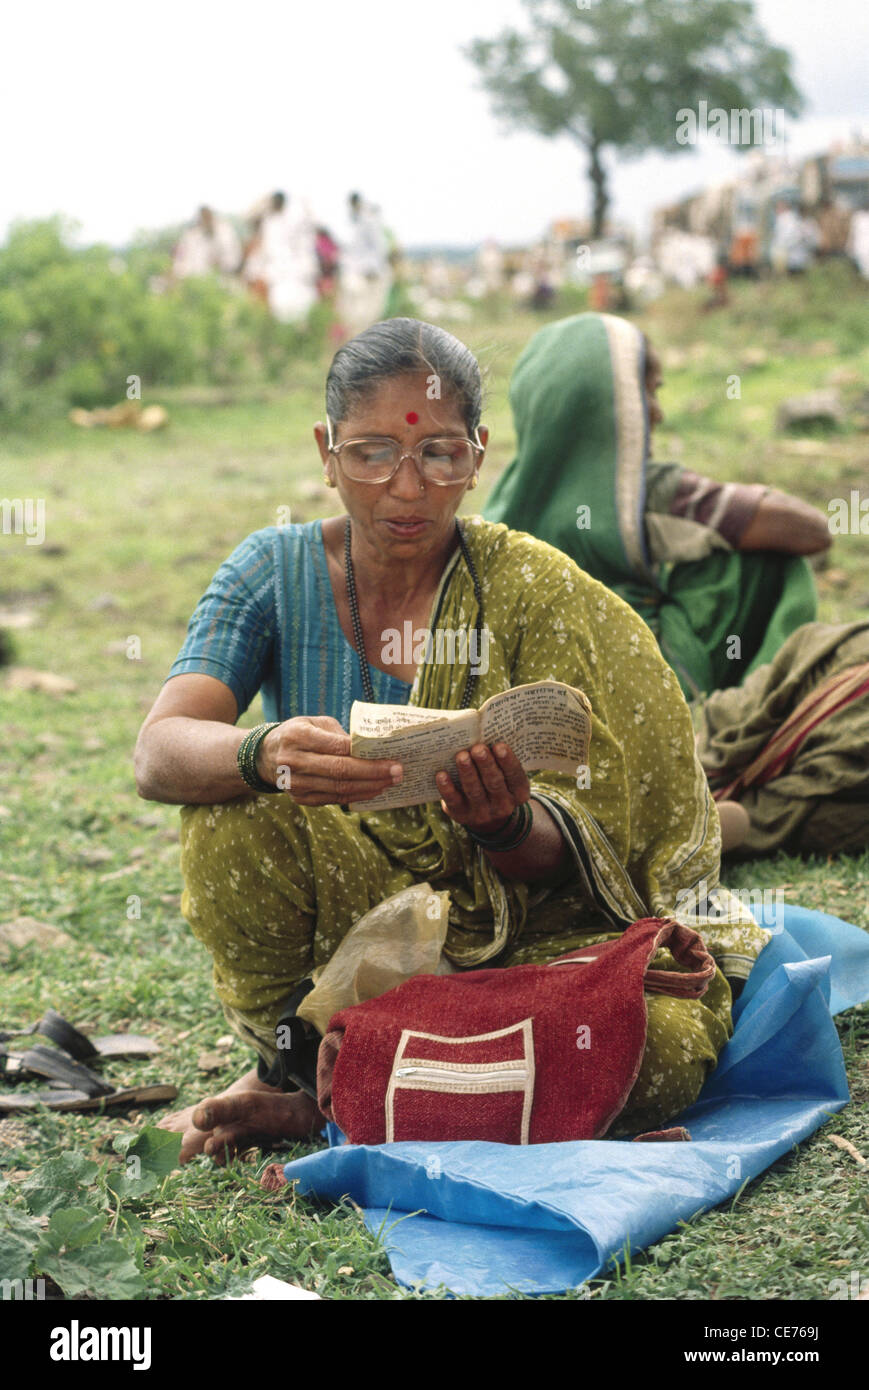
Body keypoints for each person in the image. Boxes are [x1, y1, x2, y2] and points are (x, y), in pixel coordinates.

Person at [135, 318, 767, 1164]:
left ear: (477, 457)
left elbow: (588, 867)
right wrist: (263, 753)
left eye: (438, 454)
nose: (405, 487)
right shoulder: (272, 572)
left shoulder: (532, 590)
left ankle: (339, 1090)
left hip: (532, 952)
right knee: (229, 812)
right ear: (325, 453)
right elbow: (160, 750)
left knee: (653, 1042)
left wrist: (503, 825)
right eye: (369, 453)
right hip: (351, 944)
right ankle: (299, 1062)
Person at [483, 311, 829, 703]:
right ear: (603, 404)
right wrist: (751, 493)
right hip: (628, 689)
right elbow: (812, 531)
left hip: (523, 696)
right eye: (644, 394)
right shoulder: (640, 492)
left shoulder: (508, 488)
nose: (658, 413)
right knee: (767, 561)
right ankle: (751, 703)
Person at [259, 190, 319, 324]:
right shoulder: (269, 222)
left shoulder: (296, 219)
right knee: (281, 315)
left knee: (302, 315)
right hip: (279, 277)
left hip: (299, 275)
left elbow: (307, 239)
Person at [337, 193, 392, 335]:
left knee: (368, 313)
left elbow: (379, 246)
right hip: (356, 272)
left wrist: (372, 268)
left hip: (368, 274)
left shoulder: (368, 220)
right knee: (354, 313)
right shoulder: (353, 221)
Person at [171, 206, 241, 282]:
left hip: (222, 274)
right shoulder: (194, 234)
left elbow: (230, 258)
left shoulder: (223, 231)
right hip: (199, 276)